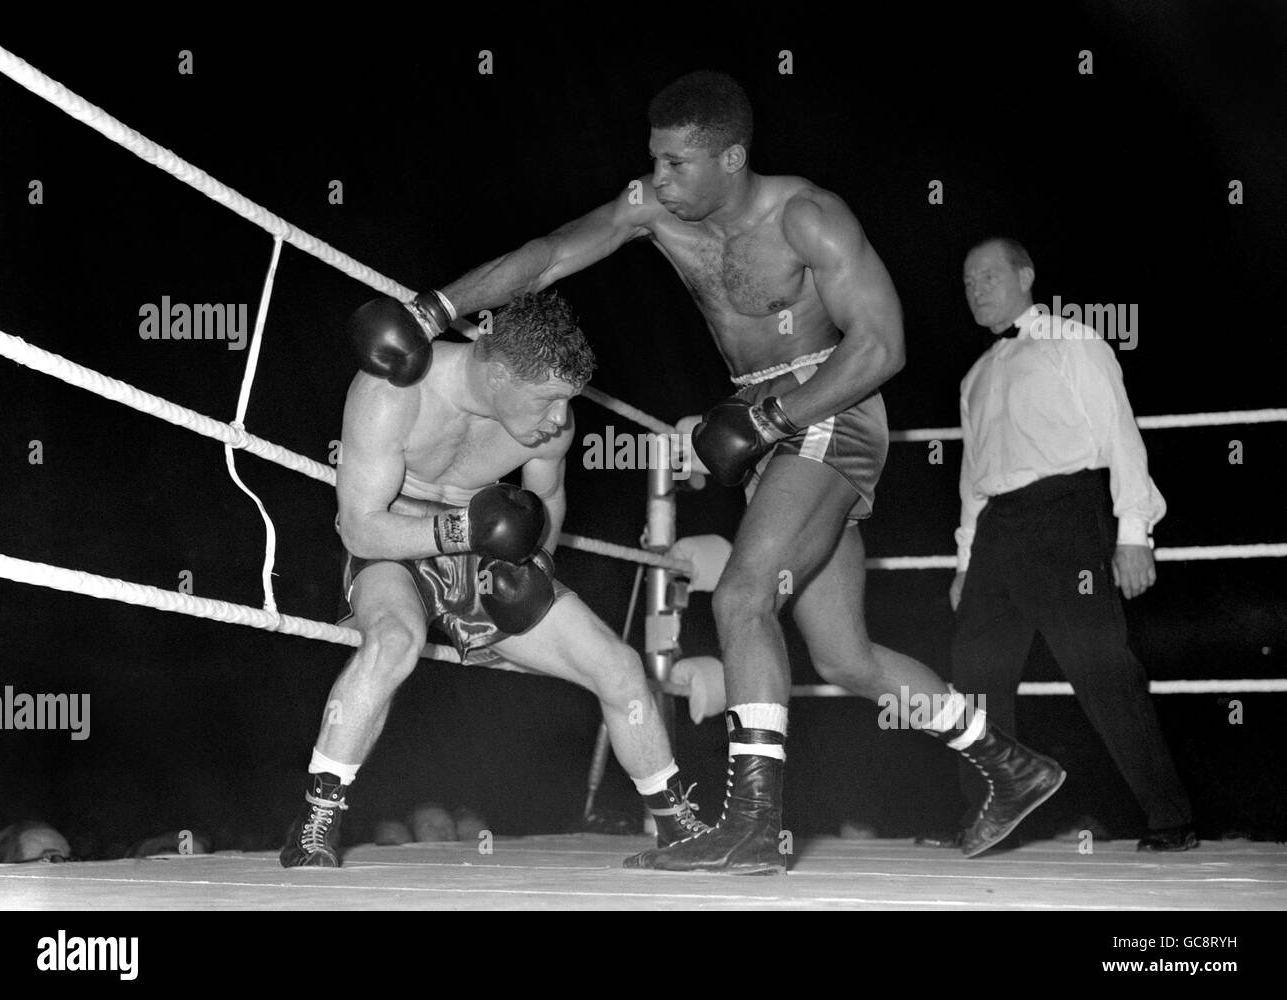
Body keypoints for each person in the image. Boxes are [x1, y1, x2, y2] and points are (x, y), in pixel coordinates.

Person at [390, 71, 1064, 872]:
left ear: (733, 158)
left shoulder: (808, 218)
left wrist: (775, 418)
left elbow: (883, 346)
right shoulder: (653, 209)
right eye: (657, 161)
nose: (658, 179)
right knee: (844, 656)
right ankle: (1011, 765)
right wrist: (431, 310)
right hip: (764, 423)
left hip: (830, 410)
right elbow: (550, 256)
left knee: (743, 595)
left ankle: (751, 823)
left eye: (677, 164)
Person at [280, 292, 709, 868]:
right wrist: (463, 528)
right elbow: (360, 530)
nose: (559, 420)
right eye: (549, 402)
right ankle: (315, 822)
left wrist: (535, 566)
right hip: (393, 544)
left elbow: (548, 500)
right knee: (393, 643)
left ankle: (676, 824)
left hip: (486, 553)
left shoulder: (551, 419)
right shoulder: (392, 393)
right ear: (500, 374)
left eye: (566, 404)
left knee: (619, 665)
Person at [946, 236, 1197, 852]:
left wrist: (1134, 532)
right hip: (996, 533)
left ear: (1026, 275)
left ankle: (1170, 817)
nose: (976, 289)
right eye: (968, 282)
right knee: (974, 676)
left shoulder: (1074, 339)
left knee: (1101, 669)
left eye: (988, 276)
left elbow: (1120, 434)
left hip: (1067, 515)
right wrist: (963, 561)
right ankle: (991, 817)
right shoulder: (974, 376)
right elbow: (972, 479)